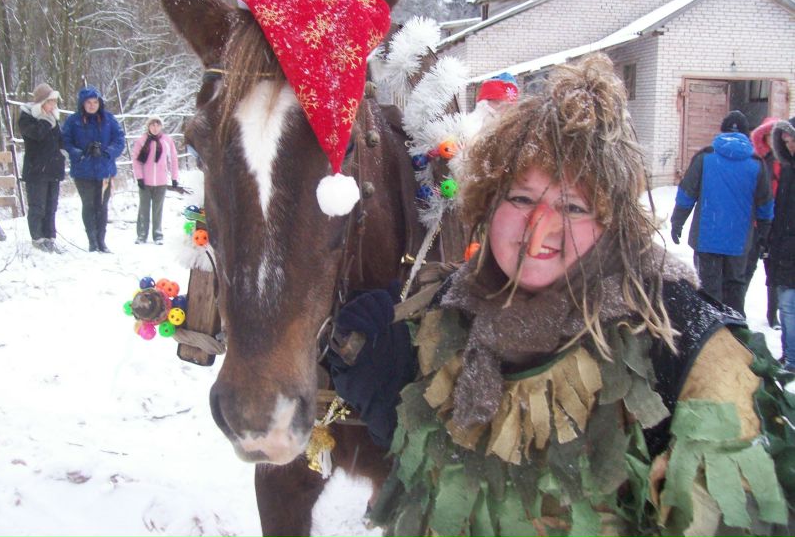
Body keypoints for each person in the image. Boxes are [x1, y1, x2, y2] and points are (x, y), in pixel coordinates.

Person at [327, 55, 792, 535]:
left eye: (572, 206)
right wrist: (390, 399)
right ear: (490, 205)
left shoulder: (677, 337)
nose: (539, 229)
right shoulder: (442, 313)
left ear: (612, 222)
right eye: (521, 198)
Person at [670, 110, 773, 315]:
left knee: (708, 291)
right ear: (746, 134)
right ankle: (735, 327)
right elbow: (765, 205)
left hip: (707, 239)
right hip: (739, 241)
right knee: (735, 287)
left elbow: (686, 195)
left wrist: (677, 222)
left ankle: (712, 326)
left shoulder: (705, 158)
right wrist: (764, 234)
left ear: (722, 131)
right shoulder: (756, 164)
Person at [61, 86, 125, 253]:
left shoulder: (108, 119)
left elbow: (119, 140)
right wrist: (79, 152)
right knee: (89, 204)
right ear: (82, 104)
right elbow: (65, 141)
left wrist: (107, 152)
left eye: (95, 102)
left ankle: (101, 241)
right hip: (83, 170)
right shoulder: (73, 121)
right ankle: (92, 241)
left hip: (105, 170)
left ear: (100, 103)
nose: (92, 105)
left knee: (102, 206)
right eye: (88, 102)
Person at [743, 117, 781, 327]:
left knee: (774, 272)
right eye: (769, 135)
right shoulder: (757, 160)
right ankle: (738, 310)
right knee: (747, 268)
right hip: (757, 224)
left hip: (778, 225)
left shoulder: (787, 163)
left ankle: (772, 315)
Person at [18, 83, 65, 253]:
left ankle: (50, 237)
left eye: (54, 102)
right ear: (42, 102)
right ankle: (37, 238)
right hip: (36, 169)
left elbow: (59, 140)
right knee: (38, 206)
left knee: (51, 206)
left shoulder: (53, 119)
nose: (53, 105)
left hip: (53, 169)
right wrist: (45, 121)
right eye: (50, 101)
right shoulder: (27, 118)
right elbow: (36, 135)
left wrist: (63, 153)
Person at [768, 117, 795, 371]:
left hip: (789, 248)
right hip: (783, 248)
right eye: (785, 141)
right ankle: (788, 355)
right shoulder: (787, 170)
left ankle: (792, 360)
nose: (789, 145)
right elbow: (780, 211)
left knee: (788, 306)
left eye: (792, 140)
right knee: (786, 305)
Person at [132, 116, 179, 244]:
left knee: (158, 209)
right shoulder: (142, 141)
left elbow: (173, 159)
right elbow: (136, 161)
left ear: (161, 126)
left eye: (158, 125)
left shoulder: (167, 141)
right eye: (152, 125)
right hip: (145, 181)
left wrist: (174, 177)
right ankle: (142, 235)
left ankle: (157, 235)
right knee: (144, 208)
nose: (155, 128)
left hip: (161, 181)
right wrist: (139, 177)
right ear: (148, 126)